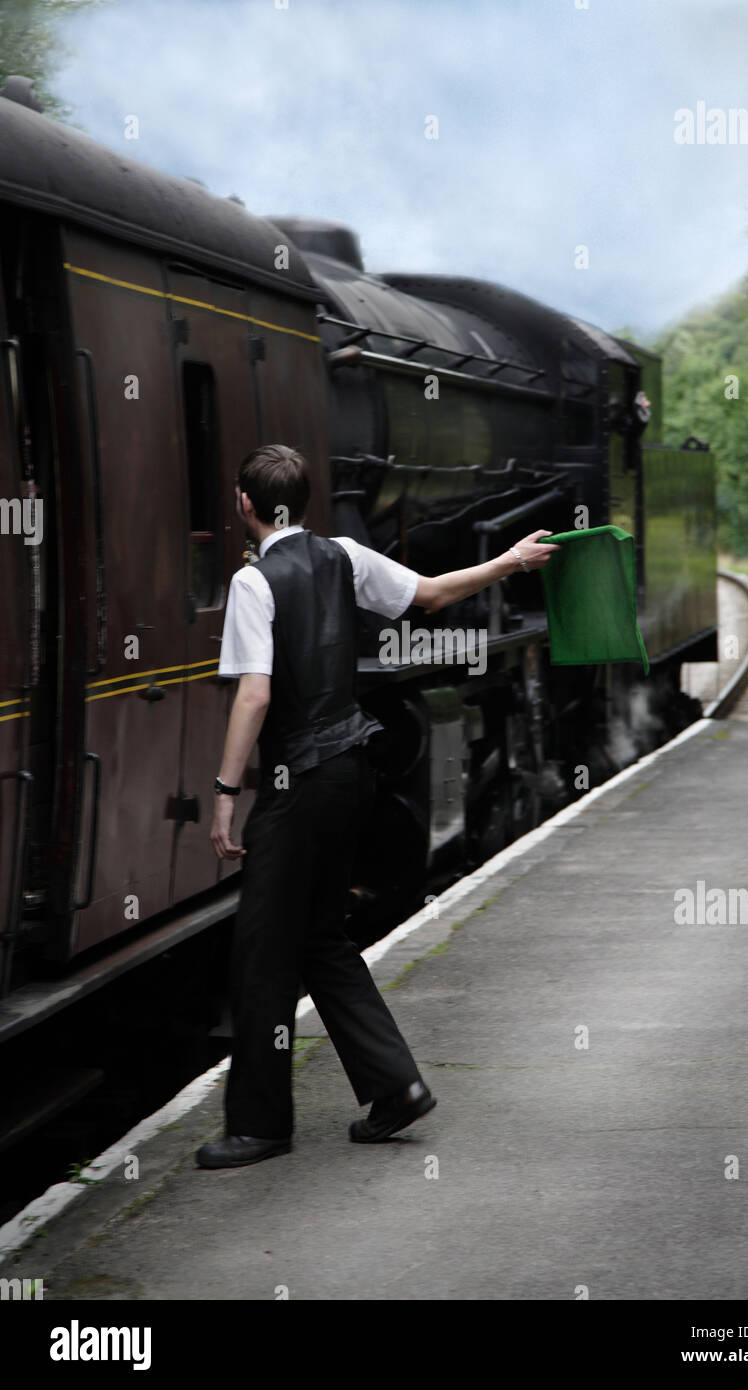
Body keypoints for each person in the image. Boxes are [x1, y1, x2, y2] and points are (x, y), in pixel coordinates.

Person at [196, 444, 558, 1169]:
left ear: (244, 504)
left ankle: (260, 1126)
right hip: (352, 772)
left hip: (299, 781)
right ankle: (397, 1089)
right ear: (301, 502)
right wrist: (510, 561)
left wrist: (225, 796)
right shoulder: (344, 556)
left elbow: (257, 695)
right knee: (321, 940)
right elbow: (432, 595)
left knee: (262, 955)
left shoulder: (252, 582)